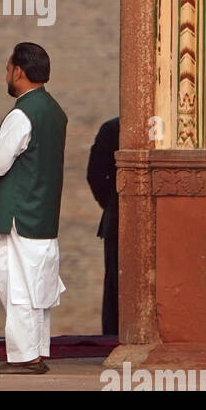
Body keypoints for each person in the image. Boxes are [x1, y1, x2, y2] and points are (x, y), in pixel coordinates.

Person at [0, 42, 68, 375]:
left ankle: (25, 357)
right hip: (42, 215)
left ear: (19, 71)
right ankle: (36, 351)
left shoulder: (22, 113)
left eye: (8, 68)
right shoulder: (55, 111)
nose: (6, 75)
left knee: (17, 284)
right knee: (37, 284)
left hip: (18, 214)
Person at [86, 116, 120, 337]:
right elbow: (96, 176)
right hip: (117, 218)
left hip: (117, 216)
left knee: (116, 288)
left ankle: (112, 340)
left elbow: (95, 176)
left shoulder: (113, 128)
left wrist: (112, 202)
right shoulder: (113, 129)